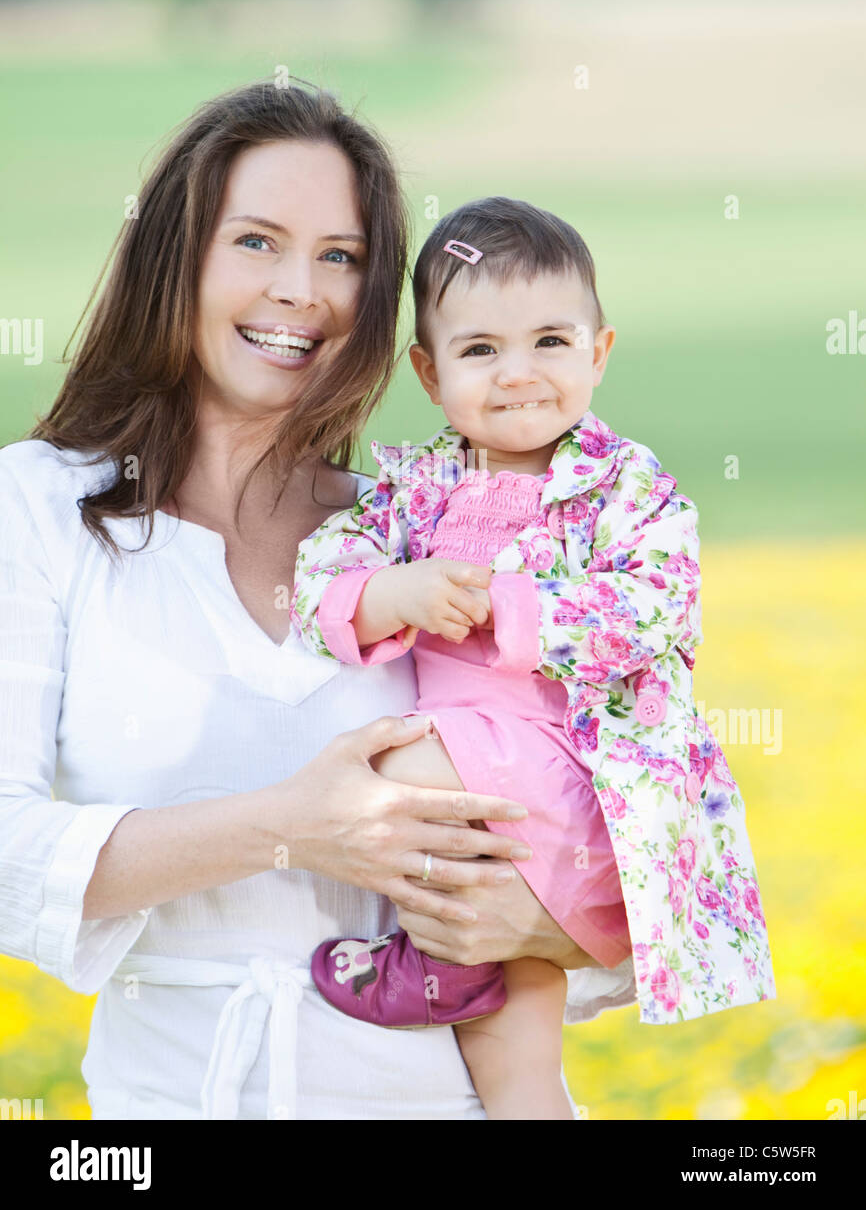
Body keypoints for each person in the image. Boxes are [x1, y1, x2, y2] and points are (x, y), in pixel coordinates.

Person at [0, 82, 637, 1122]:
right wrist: (289, 829)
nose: (300, 290)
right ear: (174, 257)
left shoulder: (429, 531)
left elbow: (629, 811)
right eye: (256, 241)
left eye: (341, 257)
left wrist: (538, 928)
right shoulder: (38, 508)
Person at [290, 196, 777, 1120]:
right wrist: (391, 592)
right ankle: (464, 988)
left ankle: (435, 958)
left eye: (551, 341)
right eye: (480, 350)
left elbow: (658, 603)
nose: (518, 373)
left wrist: (520, 608)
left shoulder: (625, 485)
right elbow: (320, 572)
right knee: (513, 1051)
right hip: (490, 804)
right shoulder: (415, 488)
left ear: (599, 352)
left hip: (574, 769)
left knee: (400, 761)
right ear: (430, 372)